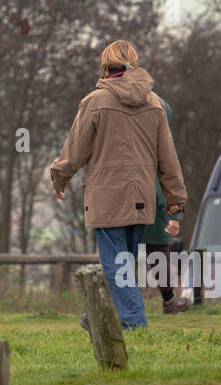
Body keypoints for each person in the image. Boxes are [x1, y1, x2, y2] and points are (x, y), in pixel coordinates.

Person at [51, 40, 186, 330]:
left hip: (108, 197)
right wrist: (175, 196)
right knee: (123, 264)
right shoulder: (155, 104)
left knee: (114, 266)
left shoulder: (95, 102)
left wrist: (59, 177)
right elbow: (168, 156)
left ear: (105, 65)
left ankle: (134, 322)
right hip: (142, 197)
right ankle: (115, 319)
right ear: (133, 64)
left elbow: (75, 151)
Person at [144, 98, 190, 314]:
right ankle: (169, 299)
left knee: (119, 250)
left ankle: (109, 303)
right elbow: (171, 173)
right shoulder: (161, 106)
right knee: (158, 251)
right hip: (156, 196)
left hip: (132, 194)